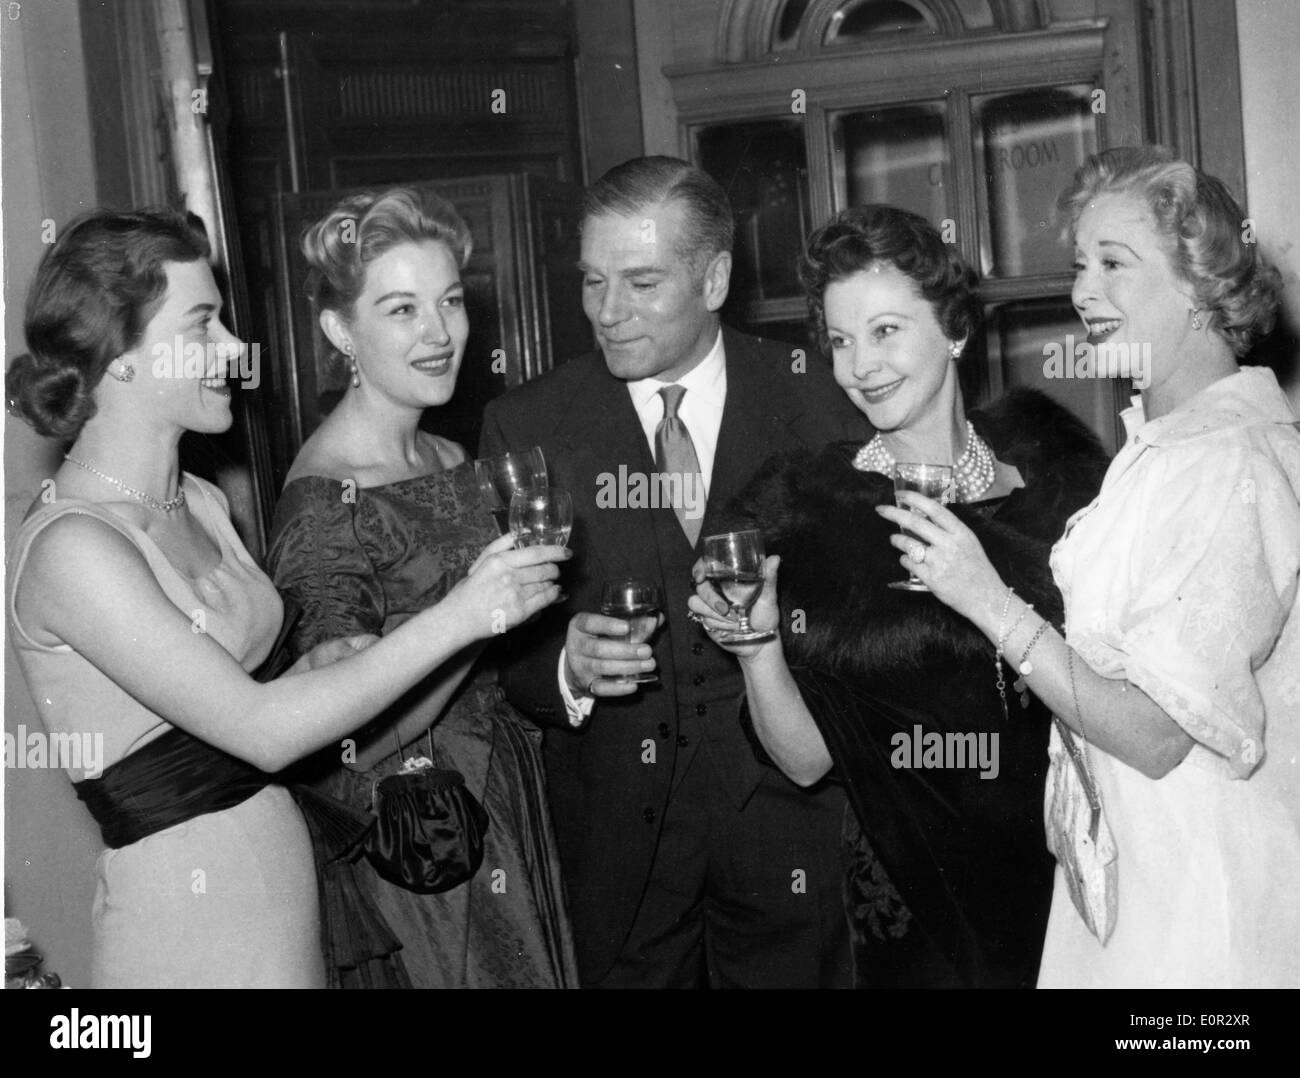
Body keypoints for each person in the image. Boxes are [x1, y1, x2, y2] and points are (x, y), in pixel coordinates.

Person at [4, 208, 566, 989]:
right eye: (203, 325)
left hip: (286, 897)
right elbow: (260, 734)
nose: (236, 350)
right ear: (120, 355)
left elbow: (226, 711)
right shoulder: (72, 549)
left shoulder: (198, 501)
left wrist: (317, 673)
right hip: (188, 925)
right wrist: (463, 616)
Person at [875, 147, 1300, 988]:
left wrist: (988, 600)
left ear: (1200, 287)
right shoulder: (1163, 450)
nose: (1080, 293)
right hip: (1132, 880)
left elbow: (1150, 733)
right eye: (1079, 265)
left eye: (1113, 263)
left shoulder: (1231, 464)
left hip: (1201, 909)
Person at [688, 204, 1110, 987]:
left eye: (885, 331)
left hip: (1076, 870)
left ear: (953, 329)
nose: (860, 366)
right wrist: (755, 650)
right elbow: (807, 760)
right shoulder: (811, 509)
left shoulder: (1061, 483)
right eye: (841, 342)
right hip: (914, 913)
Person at [479, 156, 870, 988]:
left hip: (794, 843)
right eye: (592, 282)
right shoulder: (526, 425)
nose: (607, 314)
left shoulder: (824, 403)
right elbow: (498, 652)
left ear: (716, 277)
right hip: (615, 858)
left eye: (641, 282)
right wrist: (566, 669)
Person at [266, 186, 579, 989]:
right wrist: (470, 624)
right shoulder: (325, 500)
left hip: (508, 801)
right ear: (342, 330)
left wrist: (564, 650)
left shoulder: (450, 458)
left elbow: (503, 646)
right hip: (426, 845)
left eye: (448, 302)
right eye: (402, 310)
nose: (440, 334)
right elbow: (347, 747)